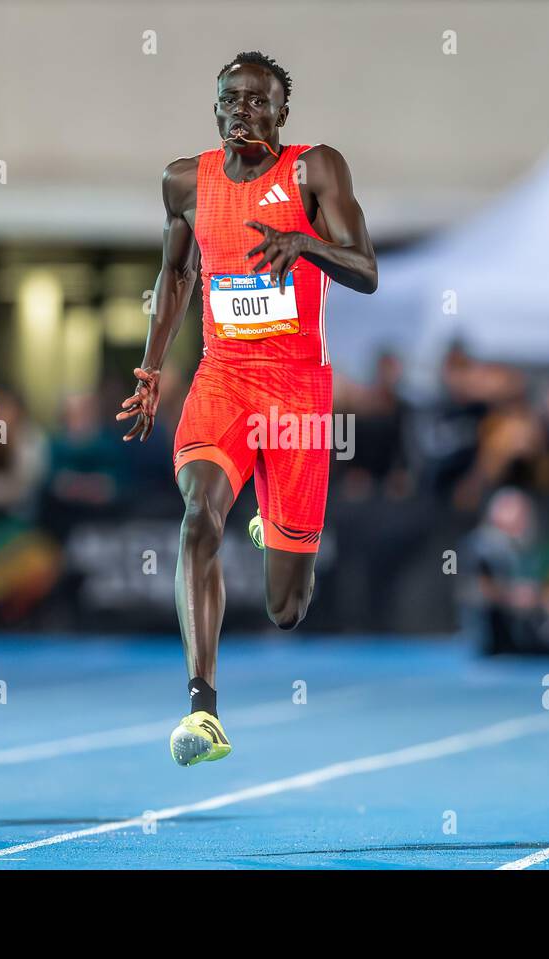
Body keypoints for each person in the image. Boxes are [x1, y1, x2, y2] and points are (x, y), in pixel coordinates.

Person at [116, 52, 377, 766]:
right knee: (197, 515)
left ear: (282, 112)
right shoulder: (184, 182)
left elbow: (367, 271)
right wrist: (151, 365)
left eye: (259, 101)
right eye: (232, 99)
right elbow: (174, 274)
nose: (244, 111)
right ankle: (203, 708)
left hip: (297, 392)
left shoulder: (314, 169)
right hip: (223, 378)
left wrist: (305, 242)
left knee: (285, 608)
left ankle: (276, 531)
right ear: (215, 108)